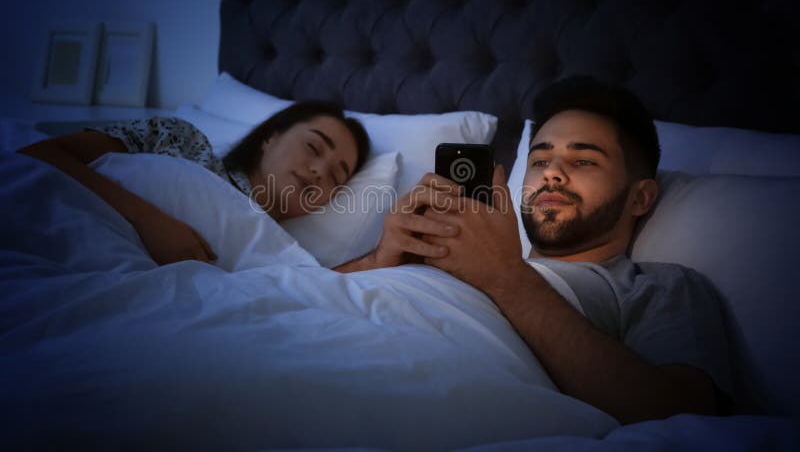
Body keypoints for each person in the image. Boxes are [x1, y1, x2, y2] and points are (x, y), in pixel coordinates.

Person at [336, 76, 732, 425]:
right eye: (540, 159)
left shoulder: (660, 285)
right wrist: (379, 259)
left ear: (641, 198)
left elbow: (682, 417)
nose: (552, 173)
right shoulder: (455, 253)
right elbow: (309, 288)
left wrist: (506, 277)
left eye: (583, 159)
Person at [19, 101, 370, 266]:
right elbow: (39, 155)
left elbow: (320, 290)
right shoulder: (181, 141)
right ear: (270, 138)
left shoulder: (284, 254)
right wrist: (147, 219)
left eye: (337, 176)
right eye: (313, 146)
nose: (320, 171)